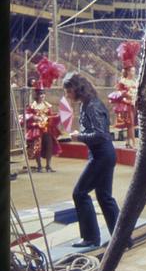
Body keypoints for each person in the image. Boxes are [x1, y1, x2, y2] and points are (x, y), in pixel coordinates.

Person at [63, 72, 121, 249]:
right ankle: (122, 239)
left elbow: (101, 135)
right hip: (102, 154)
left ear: (75, 89)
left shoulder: (92, 106)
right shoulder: (87, 104)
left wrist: (78, 136)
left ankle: (91, 238)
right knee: (104, 197)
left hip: (101, 155)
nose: (67, 95)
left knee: (79, 193)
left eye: (68, 91)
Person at [21, 88, 61, 172]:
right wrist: (34, 117)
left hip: (47, 129)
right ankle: (39, 166)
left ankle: (48, 166)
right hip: (36, 130)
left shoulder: (47, 105)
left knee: (49, 146)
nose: (42, 96)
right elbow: (26, 116)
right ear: (37, 95)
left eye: (43, 94)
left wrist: (53, 117)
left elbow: (50, 116)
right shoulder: (32, 106)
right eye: (40, 94)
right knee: (37, 147)